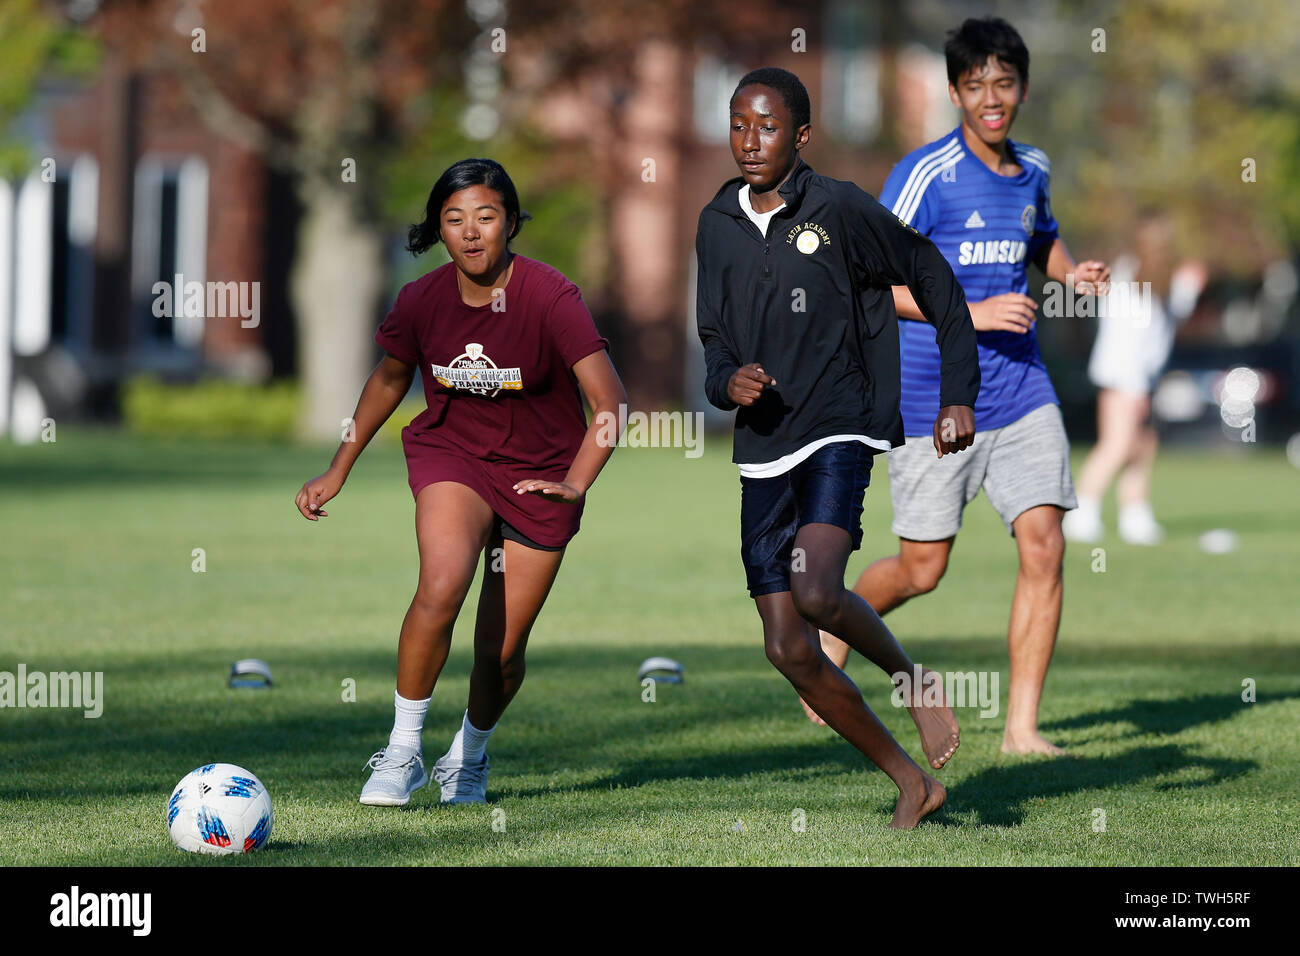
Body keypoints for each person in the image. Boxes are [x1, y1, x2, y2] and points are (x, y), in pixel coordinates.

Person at [804, 17, 1109, 757]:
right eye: (975, 86)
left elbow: (1042, 238)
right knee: (922, 568)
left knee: (1045, 543)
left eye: (1003, 83)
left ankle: (1022, 729)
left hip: (1022, 391)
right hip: (932, 398)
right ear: (954, 93)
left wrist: (1074, 274)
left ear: (1022, 89)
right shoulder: (924, 176)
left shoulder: (1032, 167)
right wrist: (969, 314)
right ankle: (824, 641)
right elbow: (870, 282)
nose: (991, 98)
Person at [697, 67, 981, 828]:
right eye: (738, 124)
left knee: (818, 592)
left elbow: (930, 273)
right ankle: (911, 782)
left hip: (838, 423)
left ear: (801, 135)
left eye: (766, 126)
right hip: (763, 448)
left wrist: (958, 392)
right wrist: (729, 385)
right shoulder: (715, 221)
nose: (749, 140)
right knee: (788, 650)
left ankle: (911, 679)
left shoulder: (841, 208)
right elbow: (713, 343)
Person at [294, 158, 626, 806]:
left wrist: (577, 483)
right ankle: (401, 752)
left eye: (486, 216)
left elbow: (611, 404)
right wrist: (339, 467)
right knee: (442, 583)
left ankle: (468, 757)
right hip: (455, 457)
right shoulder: (421, 299)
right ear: (438, 230)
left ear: (509, 223)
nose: (471, 232)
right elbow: (390, 379)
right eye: (454, 219)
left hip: (543, 477)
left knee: (500, 653)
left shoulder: (550, 296)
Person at [1063, 210, 1205, 545]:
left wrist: (1188, 290)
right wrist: (1137, 387)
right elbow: (1135, 336)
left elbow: (1164, 322)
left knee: (1142, 448)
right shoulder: (1129, 276)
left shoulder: (1158, 278)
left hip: (1142, 375)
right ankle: (1080, 514)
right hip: (1124, 374)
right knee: (1116, 445)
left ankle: (1135, 515)